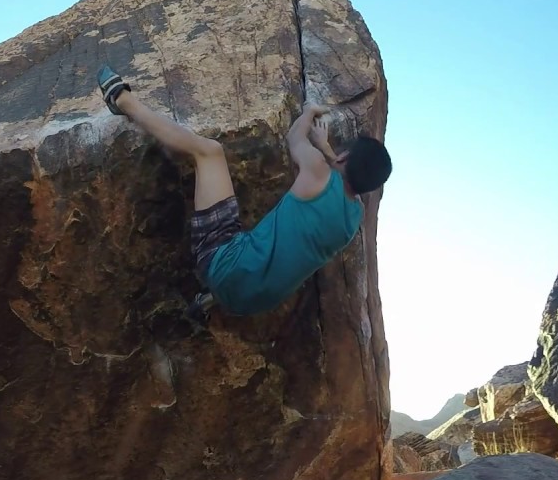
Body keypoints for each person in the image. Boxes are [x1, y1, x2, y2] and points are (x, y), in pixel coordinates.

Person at [96, 64, 392, 318]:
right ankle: (207, 301)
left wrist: (308, 112)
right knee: (262, 259)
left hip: (224, 264)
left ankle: (122, 101)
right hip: (255, 304)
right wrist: (328, 150)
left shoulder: (317, 168)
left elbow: (294, 137)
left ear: (342, 158)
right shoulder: (353, 220)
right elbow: (337, 183)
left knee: (210, 151)